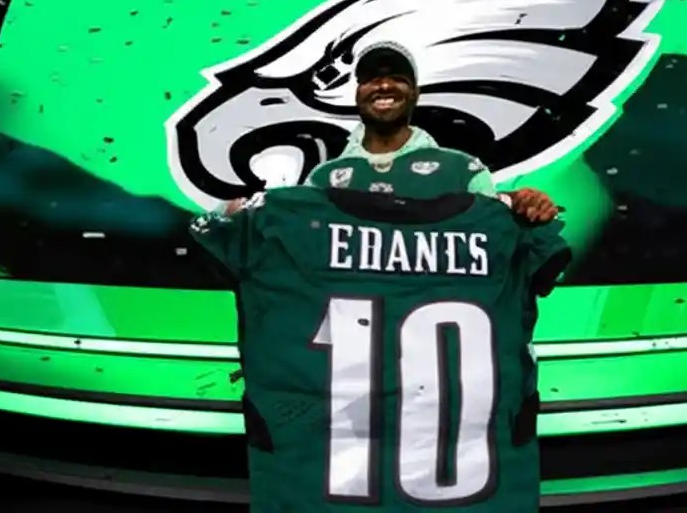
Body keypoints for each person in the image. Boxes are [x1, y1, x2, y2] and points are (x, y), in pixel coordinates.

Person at [189, 185, 571, 512]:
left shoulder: (281, 221)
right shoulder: (503, 230)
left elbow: (210, 228)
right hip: (477, 493)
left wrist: (234, 211)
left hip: (309, 489)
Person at [224, 41, 561, 222]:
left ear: (414, 92)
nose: (384, 85)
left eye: (397, 77)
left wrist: (523, 204)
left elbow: (494, 225)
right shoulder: (323, 179)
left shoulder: (463, 170)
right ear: (357, 93)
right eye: (371, 78)